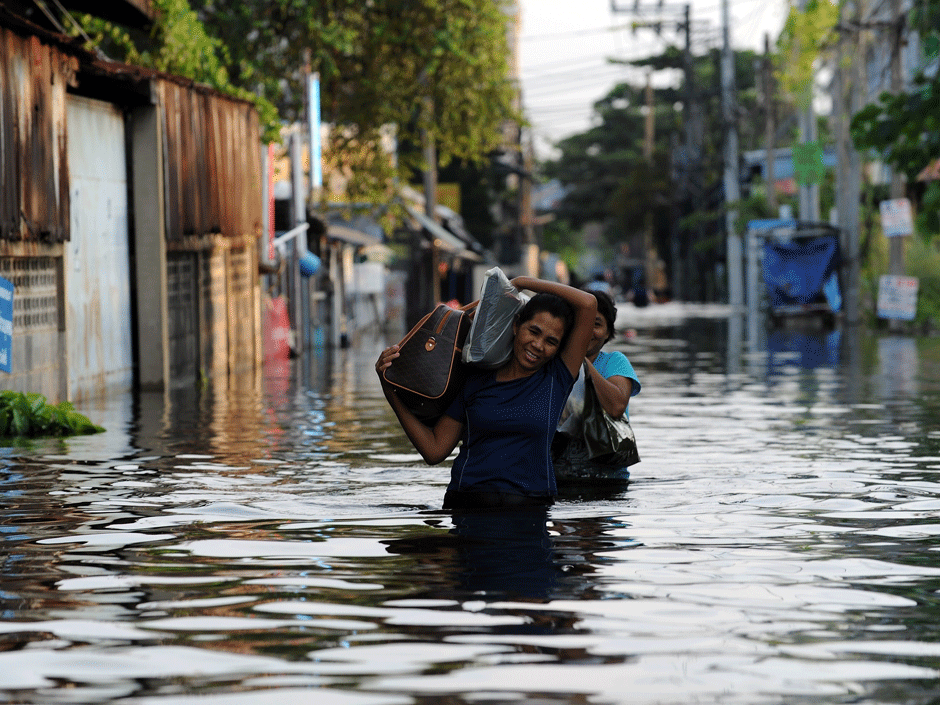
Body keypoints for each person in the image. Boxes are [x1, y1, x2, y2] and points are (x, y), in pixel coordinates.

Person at [375, 276, 597, 510]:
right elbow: (434, 450)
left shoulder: (556, 379)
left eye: (551, 341)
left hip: (530, 513)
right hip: (468, 509)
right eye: (534, 331)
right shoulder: (474, 378)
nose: (538, 345)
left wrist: (522, 281)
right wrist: (389, 390)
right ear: (516, 325)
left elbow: (588, 304)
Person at [553, 290, 641, 485]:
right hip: (559, 483)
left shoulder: (614, 362)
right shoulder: (551, 363)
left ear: (608, 332)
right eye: (580, 322)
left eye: (596, 324)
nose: (586, 330)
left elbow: (616, 406)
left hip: (608, 484)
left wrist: (579, 359)